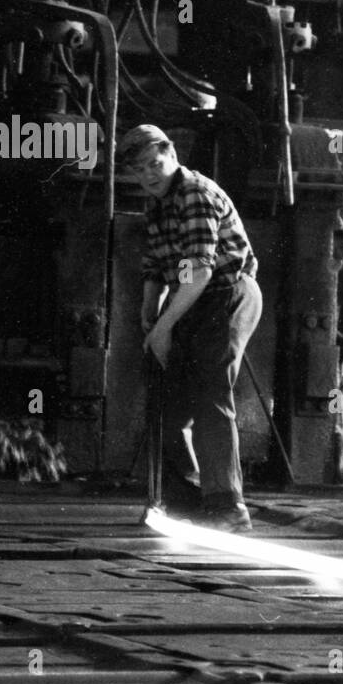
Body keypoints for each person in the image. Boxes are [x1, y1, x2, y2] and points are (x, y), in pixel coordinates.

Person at [120, 124, 262, 532]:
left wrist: (163, 328)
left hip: (226, 293)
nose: (149, 174)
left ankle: (228, 508)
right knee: (168, 404)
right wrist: (151, 310)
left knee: (210, 393)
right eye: (140, 169)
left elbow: (199, 271)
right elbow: (156, 267)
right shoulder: (158, 205)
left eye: (155, 163)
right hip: (193, 301)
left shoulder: (194, 194)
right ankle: (187, 502)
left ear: (172, 153)